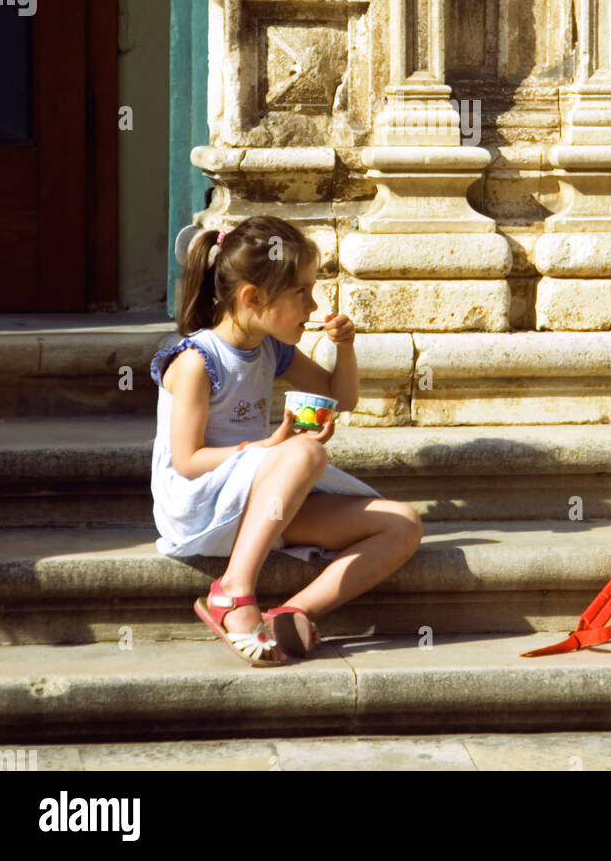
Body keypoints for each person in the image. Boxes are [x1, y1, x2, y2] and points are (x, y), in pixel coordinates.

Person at [149, 214, 423, 666]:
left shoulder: (272, 350)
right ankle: (234, 590)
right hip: (199, 509)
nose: (313, 307)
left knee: (403, 524)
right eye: (301, 293)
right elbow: (188, 460)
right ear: (253, 297)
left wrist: (346, 348)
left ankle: (293, 613)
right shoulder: (197, 361)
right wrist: (272, 447)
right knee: (305, 451)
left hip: (259, 504)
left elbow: (341, 397)